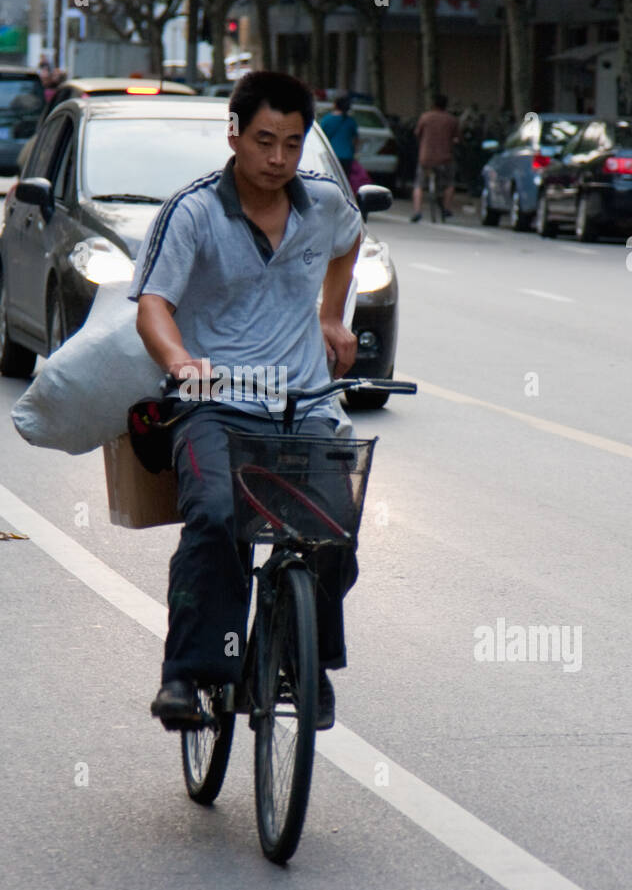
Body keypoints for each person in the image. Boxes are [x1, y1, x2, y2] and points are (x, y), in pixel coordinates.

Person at [129, 71, 364, 733]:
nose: (278, 159)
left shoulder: (323, 205)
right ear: (233, 133)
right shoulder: (194, 211)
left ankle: (297, 656)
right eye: (264, 140)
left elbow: (350, 243)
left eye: (293, 144)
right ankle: (188, 673)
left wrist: (331, 318)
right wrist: (180, 362)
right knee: (215, 518)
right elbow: (153, 307)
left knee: (333, 534)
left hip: (305, 405)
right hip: (214, 405)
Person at [411, 92, 460, 222]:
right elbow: (456, 138)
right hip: (445, 158)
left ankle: (417, 211)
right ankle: (447, 208)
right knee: (449, 183)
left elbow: (417, 134)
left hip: (426, 157)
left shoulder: (425, 117)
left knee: (419, 184)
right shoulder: (451, 120)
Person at [320, 92, 358, 177]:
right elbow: (355, 139)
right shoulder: (350, 121)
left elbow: (321, 139)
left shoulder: (327, 120)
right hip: (347, 157)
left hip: (331, 156)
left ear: (335, 105)